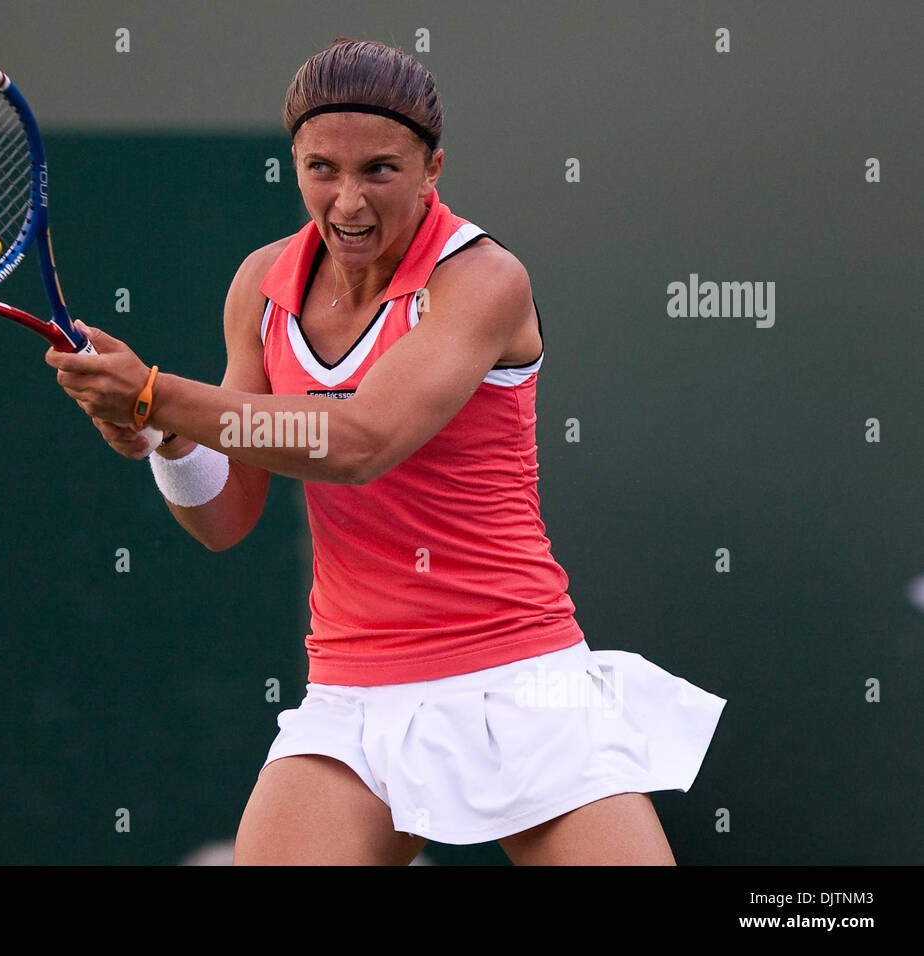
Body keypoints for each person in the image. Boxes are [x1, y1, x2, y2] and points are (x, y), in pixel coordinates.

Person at [47, 37, 726, 865]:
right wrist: (162, 439)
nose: (348, 202)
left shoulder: (482, 278)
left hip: (521, 679)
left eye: (380, 170)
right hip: (354, 692)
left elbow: (361, 443)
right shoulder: (261, 286)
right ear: (293, 163)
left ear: (433, 167)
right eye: (321, 168)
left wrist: (156, 393)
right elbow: (226, 516)